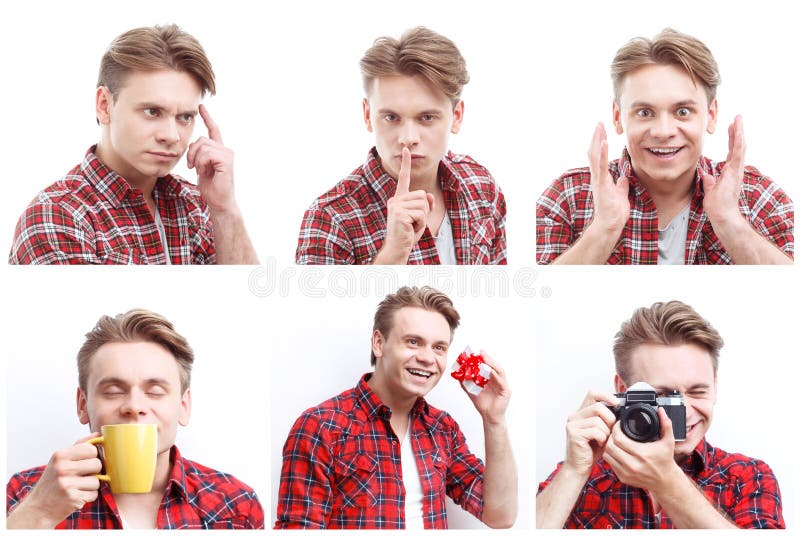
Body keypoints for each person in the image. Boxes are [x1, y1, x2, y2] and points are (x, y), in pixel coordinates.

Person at [536, 28, 793, 265]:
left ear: (711, 115)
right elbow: (538, 291)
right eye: (645, 112)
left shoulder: (758, 197)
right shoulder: (567, 198)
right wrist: (604, 228)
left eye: (682, 111)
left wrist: (730, 222)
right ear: (618, 117)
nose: (663, 131)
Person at [9, 24, 258, 264]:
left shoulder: (195, 203)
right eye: (152, 111)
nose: (172, 136)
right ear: (104, 106)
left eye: (185, 117)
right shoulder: (57, 217)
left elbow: (248, 289)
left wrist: (224, 209)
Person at [275, 286, 517, 528]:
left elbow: (500, 516)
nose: (427, 358)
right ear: (379, 343)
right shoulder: (320, 427)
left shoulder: (443, 428)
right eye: (413, 342)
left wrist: (494, 419)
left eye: (439, 347)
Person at [6, 309, 264, 529]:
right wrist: (39, 512)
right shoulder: (25, 493)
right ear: (83, 405)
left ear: (183, 406)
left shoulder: (236, 505)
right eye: (113, 391)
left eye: (155, 392)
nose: (134, 406)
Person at [536, 301, 784, 529]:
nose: (685, 412)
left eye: (698, 391)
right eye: (663, 395)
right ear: (624, 390)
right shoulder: (584, 474)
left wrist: (666, 481)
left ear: (715, 387)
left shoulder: (747, 476)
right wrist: (573, 471)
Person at [296, 27, 506, 265]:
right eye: (391, 117)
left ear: (456, 116)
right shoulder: (329, 218)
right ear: (367, 115)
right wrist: (393, 254)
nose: (408, 138)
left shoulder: (481, 186)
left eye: (427, 117)